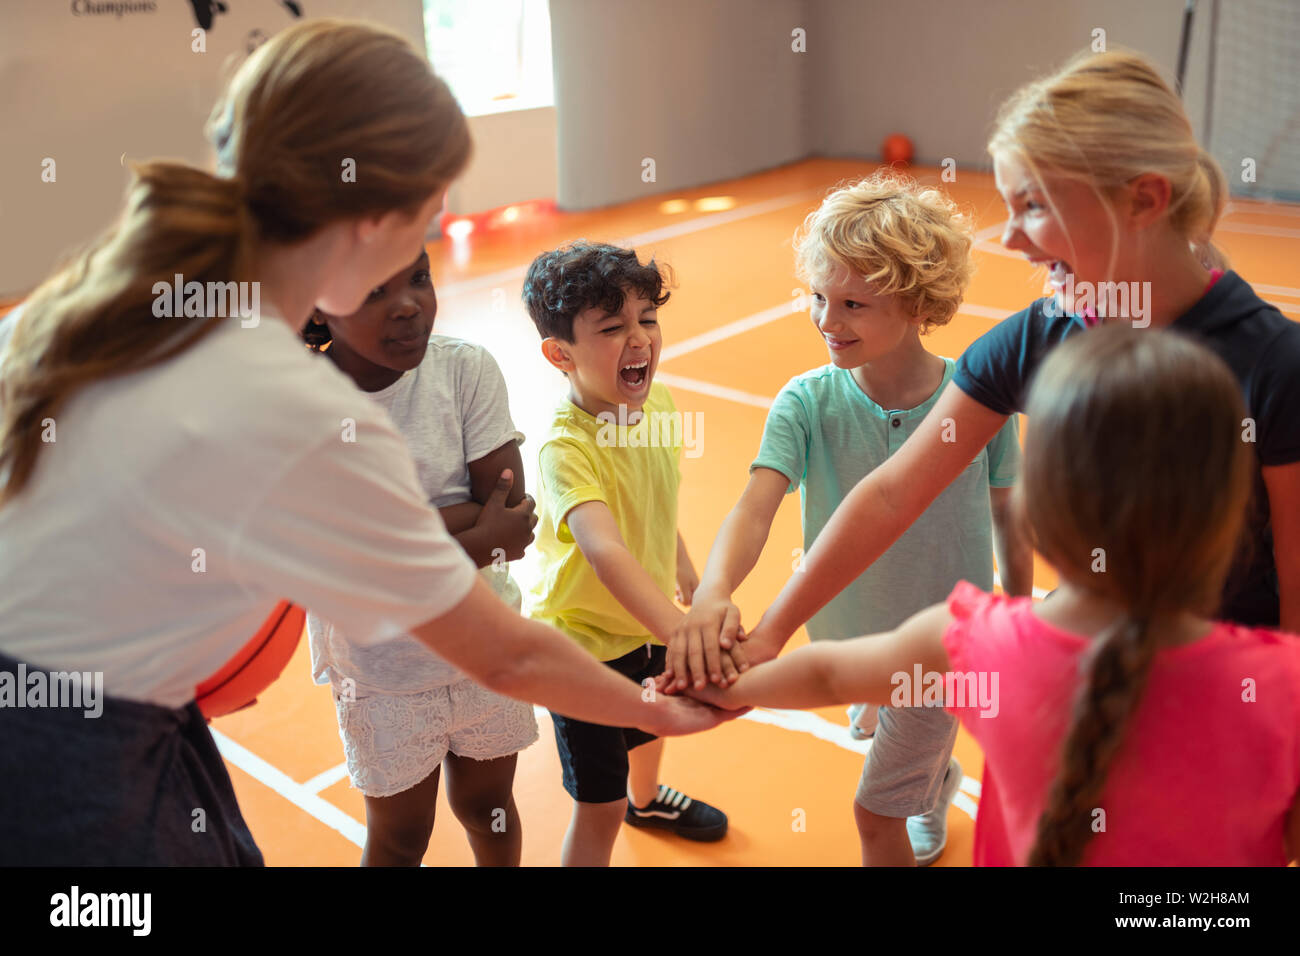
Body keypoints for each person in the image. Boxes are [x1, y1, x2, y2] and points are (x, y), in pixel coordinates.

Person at [0, 19, 727, 867]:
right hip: (71, 759)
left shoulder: (105, 306)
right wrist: (656, 708)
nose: (439, 223)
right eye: (433, 205)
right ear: (375, 216)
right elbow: (504, 650)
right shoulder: (300, 413)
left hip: (97, 719)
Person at [715, 49, 1300, 667]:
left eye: (1035, 206)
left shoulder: (1275, 364)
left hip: (1226, 687)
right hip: (1097, 683)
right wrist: (768, 637)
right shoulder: (1034, 340)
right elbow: (892, 495)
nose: (1012, 238)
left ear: (1144, 201)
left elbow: (1294, 582)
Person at [690, 326, 1300, 866]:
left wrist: (709, 684)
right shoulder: (1282, 682)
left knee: (878, 800)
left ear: (1043, 511)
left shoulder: (977, 639)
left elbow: (825, 676)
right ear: (1230, 522)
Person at [667, 173, 1031, 865]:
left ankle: (917, 791)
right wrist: (715, 591)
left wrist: (1014, 616)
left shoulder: (976, 403)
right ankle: (934, 784)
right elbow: (754, 508)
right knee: (885, 740)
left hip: (947, 644)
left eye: (854, 304)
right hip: (848, 634)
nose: (827, 322)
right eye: (819, 299)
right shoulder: (806, 401)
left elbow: (1009, 513)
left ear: (920, 304)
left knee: (875, 809)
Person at [302, 249, 539, 866]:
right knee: (400, 837)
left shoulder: (465, 370)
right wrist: (477, 535)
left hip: (485, 644)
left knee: (489, 809)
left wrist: (389, 545)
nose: (408, 304)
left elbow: (510, 511)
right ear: (320, 304)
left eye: (419, 278)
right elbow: (356, 573)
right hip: (383, 671)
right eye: (374, 290)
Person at [522, 241, 732, 866]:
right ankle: (624, 809)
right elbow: (606, 551)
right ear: (560, 354)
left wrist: (683, 566)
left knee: (650, 726)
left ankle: (649, 802)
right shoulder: (565, 449)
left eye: (648, 319)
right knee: (599, 805)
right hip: (580, 647)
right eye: (612, 327)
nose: (639, 339)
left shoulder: (654, 404)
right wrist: (681, 626)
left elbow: (653, 502)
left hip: (645, 623)